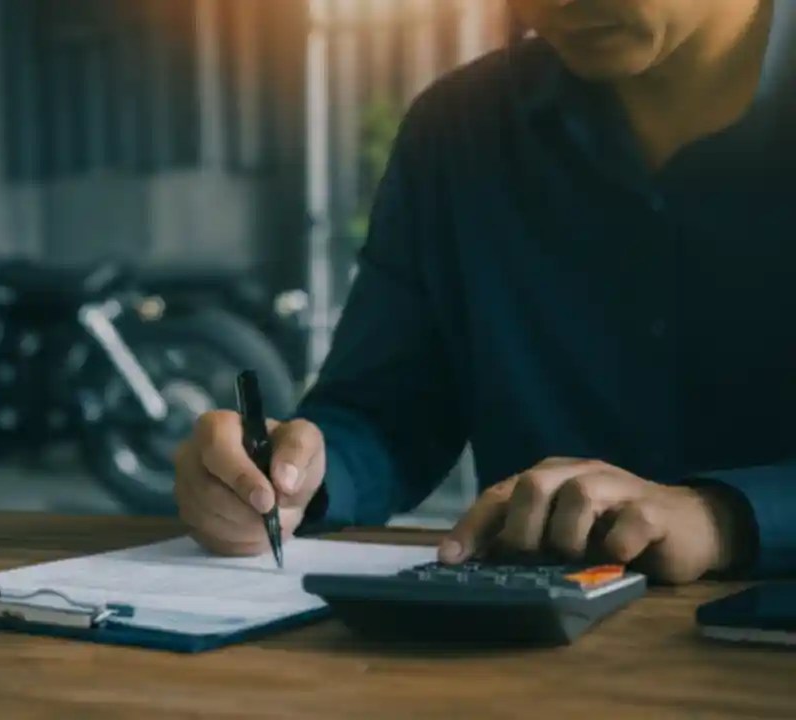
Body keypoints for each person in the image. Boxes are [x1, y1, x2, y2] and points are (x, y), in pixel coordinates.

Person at [175, 0, 796, 583]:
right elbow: (386, 410)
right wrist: (289, 476)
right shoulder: (459, 132)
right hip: (517, 653)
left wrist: (726, 520)